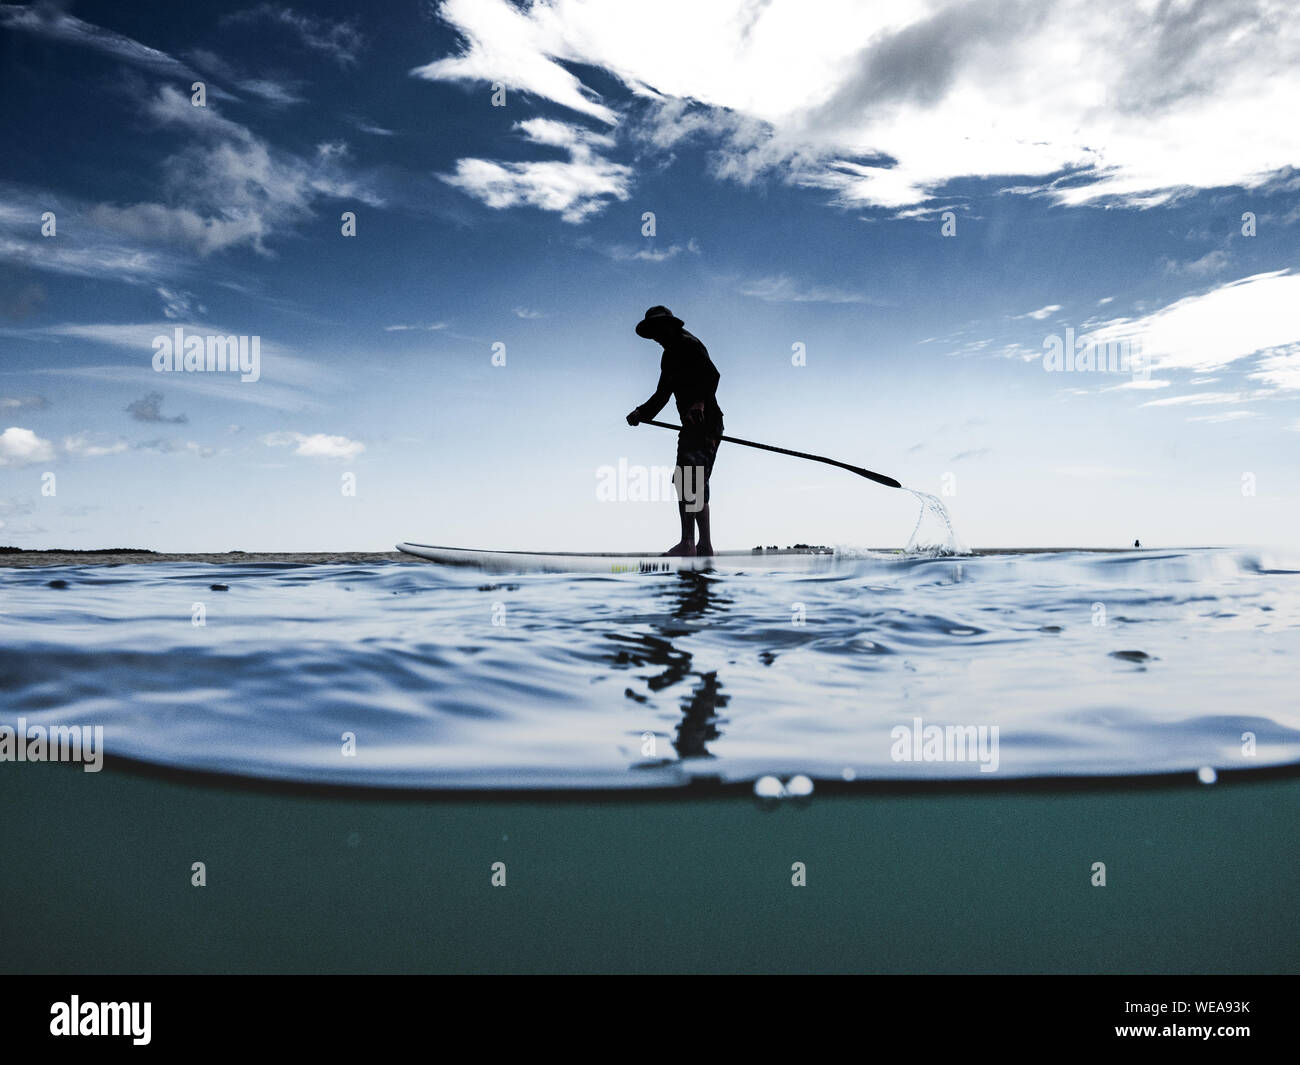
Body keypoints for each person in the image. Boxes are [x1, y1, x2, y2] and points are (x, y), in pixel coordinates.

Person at [626, 306, 724, 556]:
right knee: (694, 481)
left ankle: (688, 543)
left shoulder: (688, 344)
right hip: (692, 426)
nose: (655, 337)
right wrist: (641, 413)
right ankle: (703, 546)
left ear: (669, 326)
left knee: (687, 479)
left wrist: (699, 402)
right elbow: (662, 395)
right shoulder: (668, 356)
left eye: (657, 331)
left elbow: (712, 375)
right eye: (652, 334)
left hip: (706, 423)